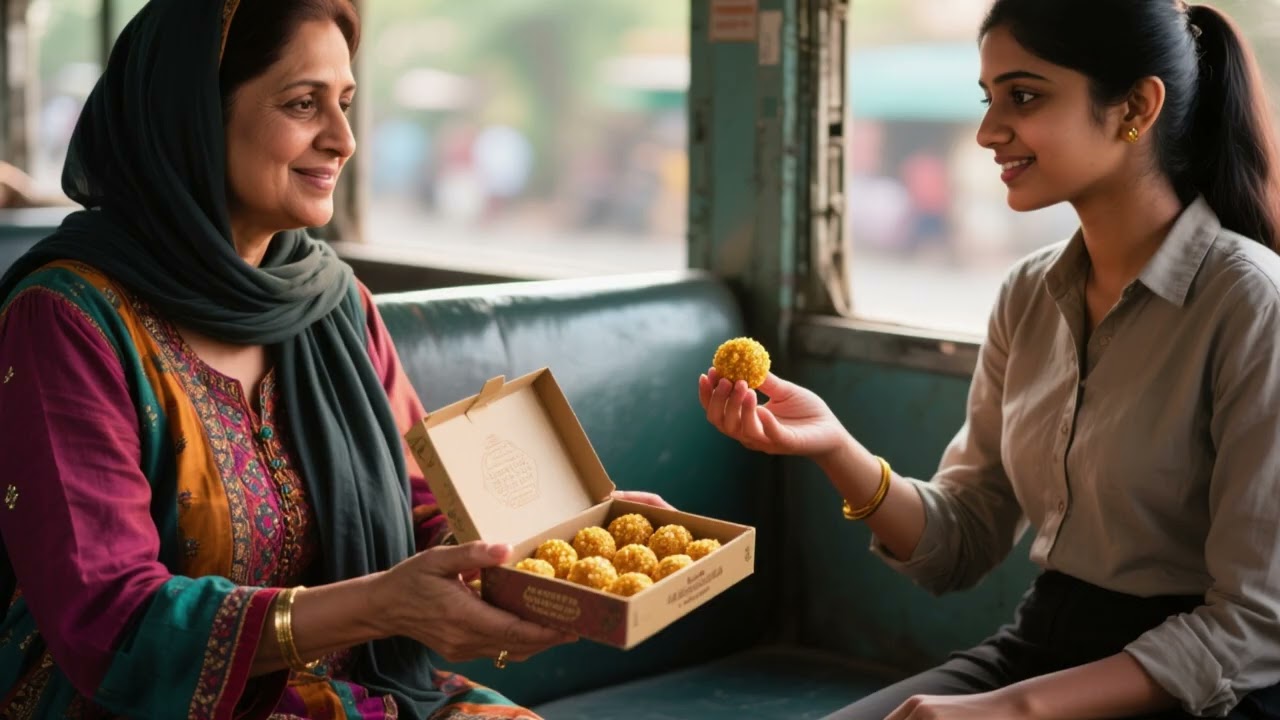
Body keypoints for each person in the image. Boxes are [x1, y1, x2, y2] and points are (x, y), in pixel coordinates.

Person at [0, 1, 669, 717]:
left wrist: (534, 554)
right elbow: (110, 621)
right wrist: (382, 605)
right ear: (190, 120)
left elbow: (417, 504)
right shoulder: (70, 320)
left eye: (346, 103)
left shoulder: (332, 302)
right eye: (302, 104)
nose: (343, 139)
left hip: (358, 688)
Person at [701, 1, 1280, 718]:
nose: (986, 132)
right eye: (988, 98)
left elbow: (1253, 626)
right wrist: (833, 446)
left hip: (1196, 688)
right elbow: (961, 543)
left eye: (1024, 97)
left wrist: (1010, 712)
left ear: (1135, 106)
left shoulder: (1251, 303)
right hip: (1042, 646)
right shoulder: (1028, 294)